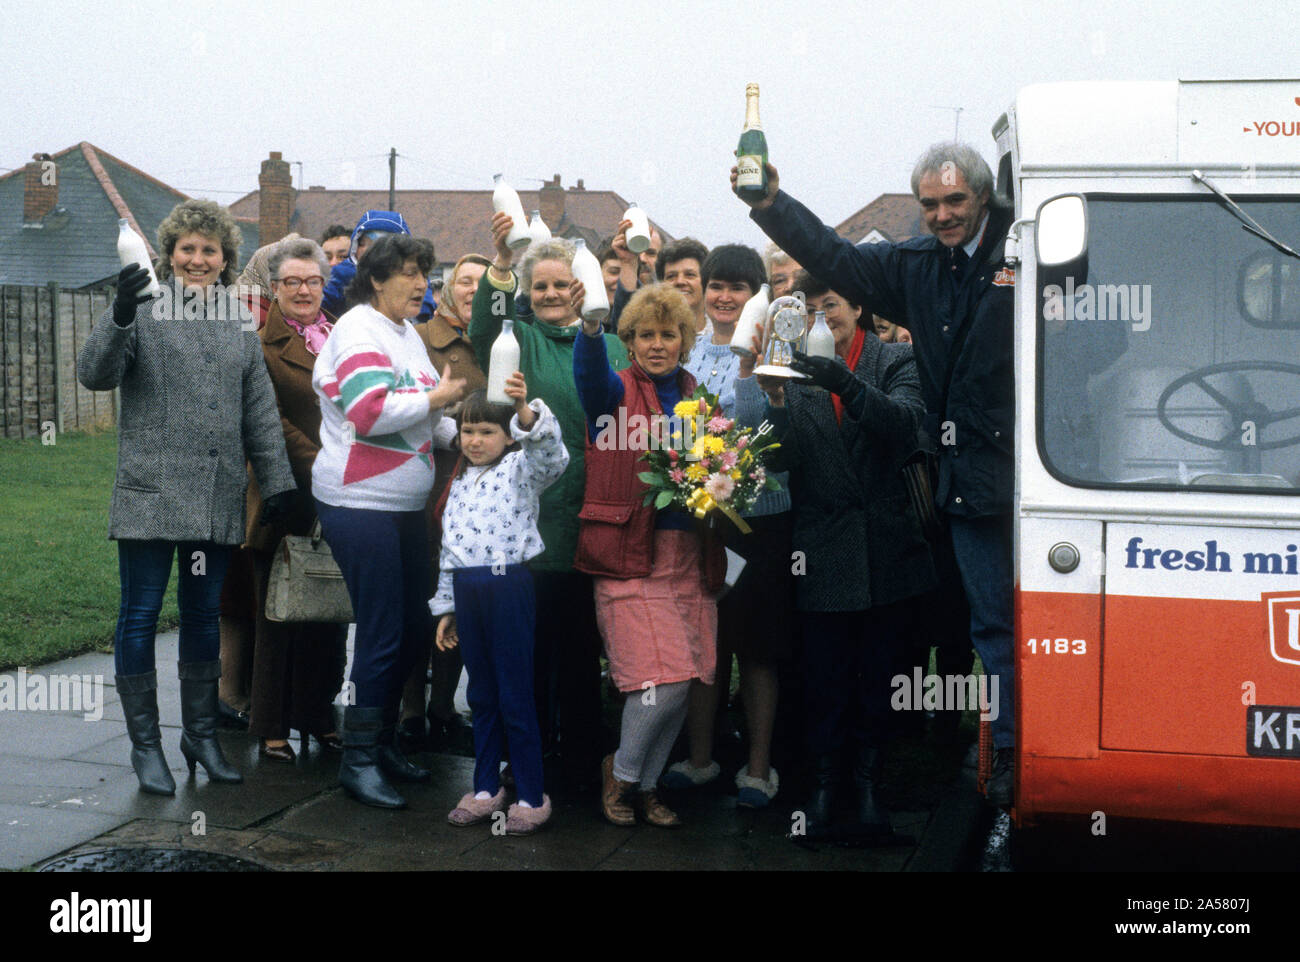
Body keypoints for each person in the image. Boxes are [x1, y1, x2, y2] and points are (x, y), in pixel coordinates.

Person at [734, 141, 1018, 805]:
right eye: (930, 204)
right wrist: (771, 203)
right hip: (965, 482)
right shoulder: (914, 266)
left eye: (955, 200)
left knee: (1047, 624)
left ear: (984, 198)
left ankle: (1029, 741)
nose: (943, 215)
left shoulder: (1023, 249)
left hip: (1038, 470)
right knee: (990, 625)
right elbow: (833, 257)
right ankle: (1006, 753)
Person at [77, 199, 297, 795]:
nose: (198, 259)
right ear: (169, 255)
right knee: (141, 616)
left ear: (225, 259)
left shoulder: (237, 323)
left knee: (202, 617)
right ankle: (146, 746)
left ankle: (199, 736)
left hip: (213, 500)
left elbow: (259, 409)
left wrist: (277, 481)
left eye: (209, 250)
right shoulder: (144, 309)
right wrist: (120, 313)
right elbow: (94, 374)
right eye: (187, 249)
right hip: (150, 499)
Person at [751, 266, 936, 837]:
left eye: (830, 304)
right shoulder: (793, 367)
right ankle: (826, 790)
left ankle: (871, 789)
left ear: (858, 308)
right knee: (826, 679)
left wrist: (845, 384)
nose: (821, 317)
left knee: (881, 678)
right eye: (809, 309)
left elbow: (906, 425)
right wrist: (775, 401)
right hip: (823, 548)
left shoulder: (894, 359)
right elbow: (778, 460)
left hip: (887, 546)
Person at [470, 218, 630, 796]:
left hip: (596, 509)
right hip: (530, 518)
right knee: (530, 652)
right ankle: (527, 763)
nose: (551, 294)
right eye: (540, 286)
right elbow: (484, 321)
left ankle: (583, 764)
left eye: (562, 285)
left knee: (584, 649)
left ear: (580, 288)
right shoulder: (517, 338)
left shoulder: (611, 344)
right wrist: (500, 262)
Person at [311, 233, 468, 808]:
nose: (421, 283)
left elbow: (426, 416)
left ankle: (379, 743)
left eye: (425, 273)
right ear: (376, 279)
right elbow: (369, 412)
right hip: (359, 503)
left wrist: (471, 437)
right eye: (408, 273)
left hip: (403, 508)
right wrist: (438, 400)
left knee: (411, 626)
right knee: (381, 630)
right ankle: (357, 761)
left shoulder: (404, 334)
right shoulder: (358, 330)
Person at [573, 282, 724, 827]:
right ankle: (621, 774)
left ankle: (648, 786)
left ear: (684, 340)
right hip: (629, 556)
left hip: (689, 558)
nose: (657, 344)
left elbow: (713, 470)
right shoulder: (613, 393)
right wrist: (591, 329)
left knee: (686, 680)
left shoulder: (696, 397)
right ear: (629, 341)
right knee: (660, 682)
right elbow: (590, 378)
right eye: (645, 335)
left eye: (668, 334)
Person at [665, 244, 793, 809]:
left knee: (759, 647)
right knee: (704, 642)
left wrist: (747, 371)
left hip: (760, 522)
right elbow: (674, 429)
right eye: (716, 284)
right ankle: (700, 759)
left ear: (755, 294)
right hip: (701, 522)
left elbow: (769, 433)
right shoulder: (686, 350)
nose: (723, 296)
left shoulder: (775, 352)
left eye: (737, 287)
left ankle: (759, 769)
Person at [431, 378, 569, 835]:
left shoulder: (520, 469)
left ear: (509, 436)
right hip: (468, 592)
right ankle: (485, 788)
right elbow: (450, 551)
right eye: (468, 431)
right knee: (481, 694)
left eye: (487, 431)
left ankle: (531, 794)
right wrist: (447, 607)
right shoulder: (458, 483)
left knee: (515, 693)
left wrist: (524, 410)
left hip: (509, 587)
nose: (475, 440)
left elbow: (552, 456)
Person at [241, 237, 348, 762]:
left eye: (312, 281)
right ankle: (270, 724)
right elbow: (269, 422)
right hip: (286, 494)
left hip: (342, 495)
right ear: (274, 287)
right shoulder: (259, 345)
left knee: (329, 611)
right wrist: (328, 459)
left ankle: (318, 714)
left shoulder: (344, 337)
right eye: (292, 282)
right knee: (278, 614)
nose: (303, 291)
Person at [397, 253, 489, 749]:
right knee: (422, 597)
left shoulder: (500, 341)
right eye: (465, 280)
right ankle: (411, 708)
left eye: (484, 282)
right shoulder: (421, 339)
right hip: (430, 484)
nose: (474, 289)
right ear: (448, 289)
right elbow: (410, 406)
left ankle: (444, 706)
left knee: (462, 597)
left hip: (484, 491)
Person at [321, 210, 437, 321]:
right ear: (356, 247)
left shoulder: (416, 276)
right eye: (363, 244)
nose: (375, 253)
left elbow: (424, 309)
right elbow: (322, 302)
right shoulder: (343, 272)